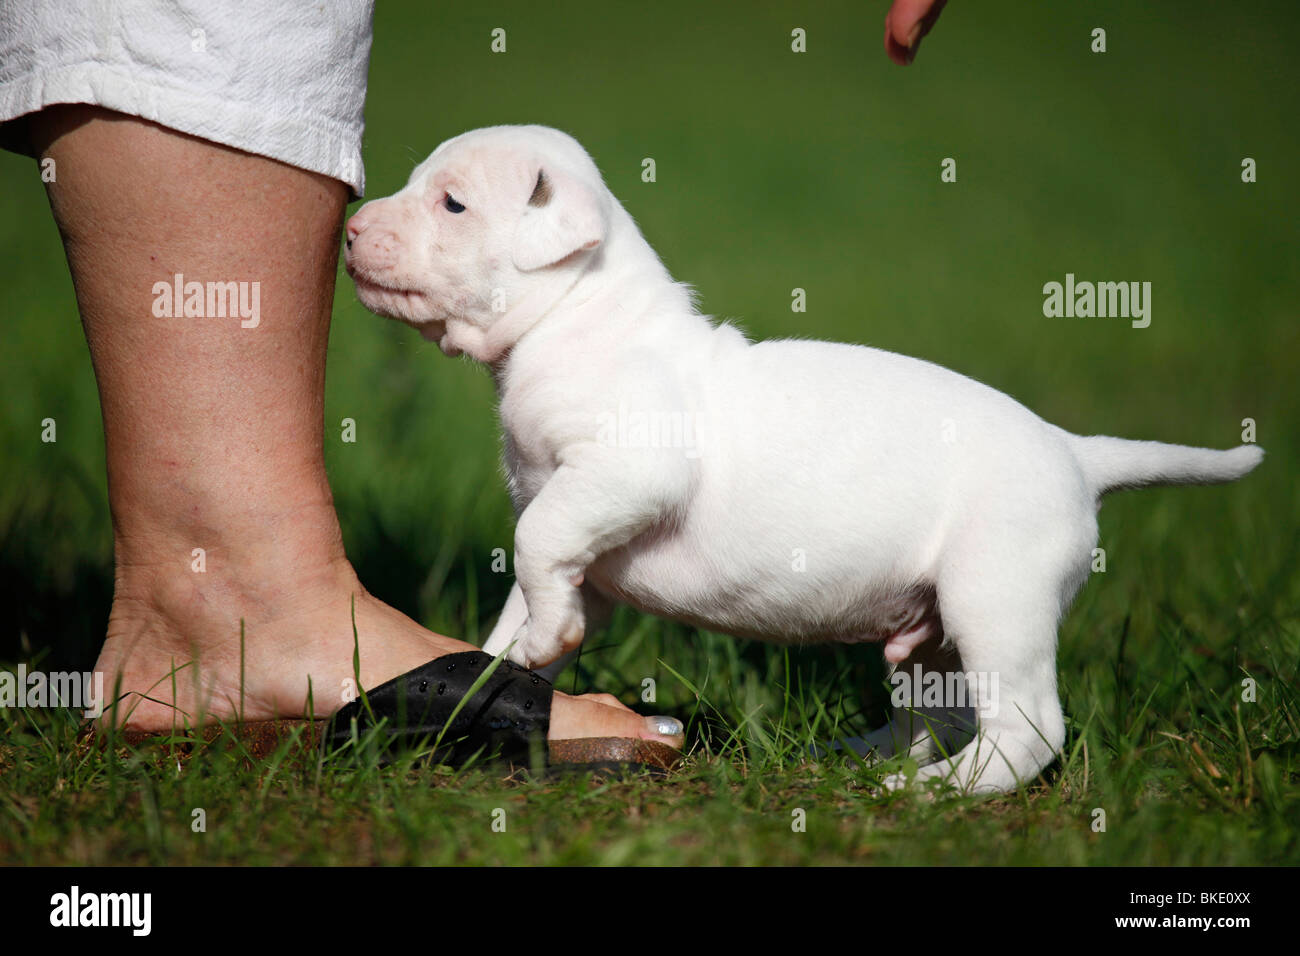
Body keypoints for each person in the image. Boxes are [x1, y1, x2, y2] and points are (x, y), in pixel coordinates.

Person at [0, 0, 946, 754]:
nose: (366, 221)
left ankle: (226, 599)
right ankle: (228, 592)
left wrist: (537, 586)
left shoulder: (628, 367)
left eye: (448, 204)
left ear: (558, 231)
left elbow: (623, 494)